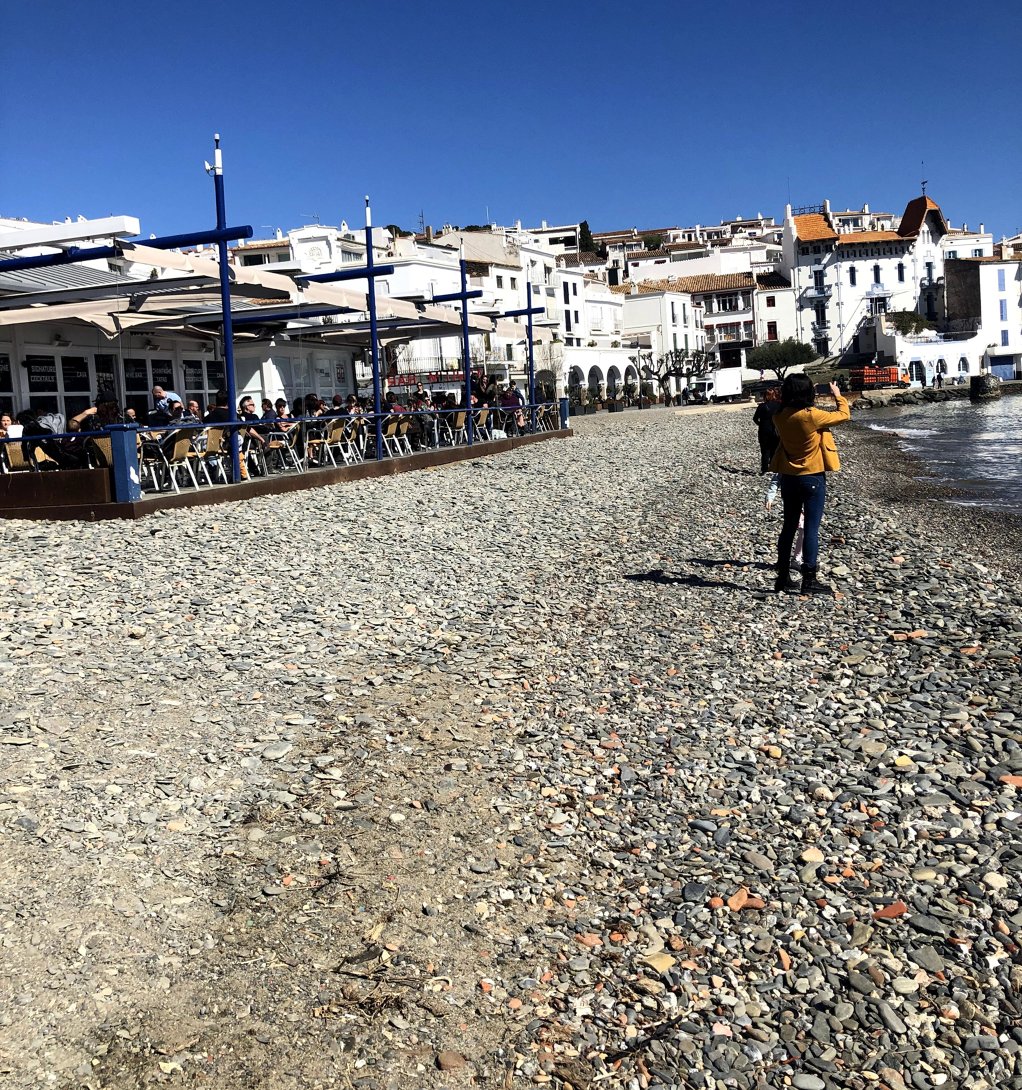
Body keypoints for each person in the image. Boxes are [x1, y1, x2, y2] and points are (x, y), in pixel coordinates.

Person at [770, 375, 849, 596]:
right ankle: (809, 579)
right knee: (811, 528)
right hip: (812, 476)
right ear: (807, 393)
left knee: (788, 527)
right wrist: (838, 396)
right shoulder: (812, 416)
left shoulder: (779, 416)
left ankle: (783, 577)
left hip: (788, 477)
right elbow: (844, 415)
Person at [752, 387, 781, 474]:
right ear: (774, 395)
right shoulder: (779, 406)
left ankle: (764, 469)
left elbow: (755, 418)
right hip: (775, 429)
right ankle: (773, 467)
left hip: (764, 430)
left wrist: (761, 424)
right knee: (774, 449)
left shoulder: (761, 406)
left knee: (765, 450)